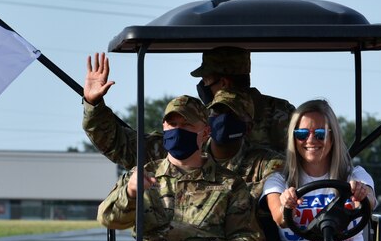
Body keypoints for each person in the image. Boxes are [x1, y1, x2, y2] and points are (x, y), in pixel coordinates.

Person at [97, 95, 263, 241]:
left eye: (186, 126)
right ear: (164, 127)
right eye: (172, 124)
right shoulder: (142, 175)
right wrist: (131, 192)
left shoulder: (229, 185)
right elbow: (108, 217)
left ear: (205, 132)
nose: (177, 130)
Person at [82, 52, 282, 201]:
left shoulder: (268, 160)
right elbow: (120, 144)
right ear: (206, 127)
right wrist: (94, 105)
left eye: (205, 80)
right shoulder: (186, 143)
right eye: (216, 112)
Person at [260, 99, 376, 241]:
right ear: (293, 138)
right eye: (302, 134)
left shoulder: (355, 175)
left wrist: (361, 195)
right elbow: (280, 218)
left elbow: (369, 201)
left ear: (333, 137)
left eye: (320, 133)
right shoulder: (277, 181)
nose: (311, 140)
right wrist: (287, 206)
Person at [189, 46, 295, 153]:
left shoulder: (205, 117)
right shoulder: (284, 109)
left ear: (224, 83)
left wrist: (213, 113)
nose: (204, 86)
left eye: (206, 81)